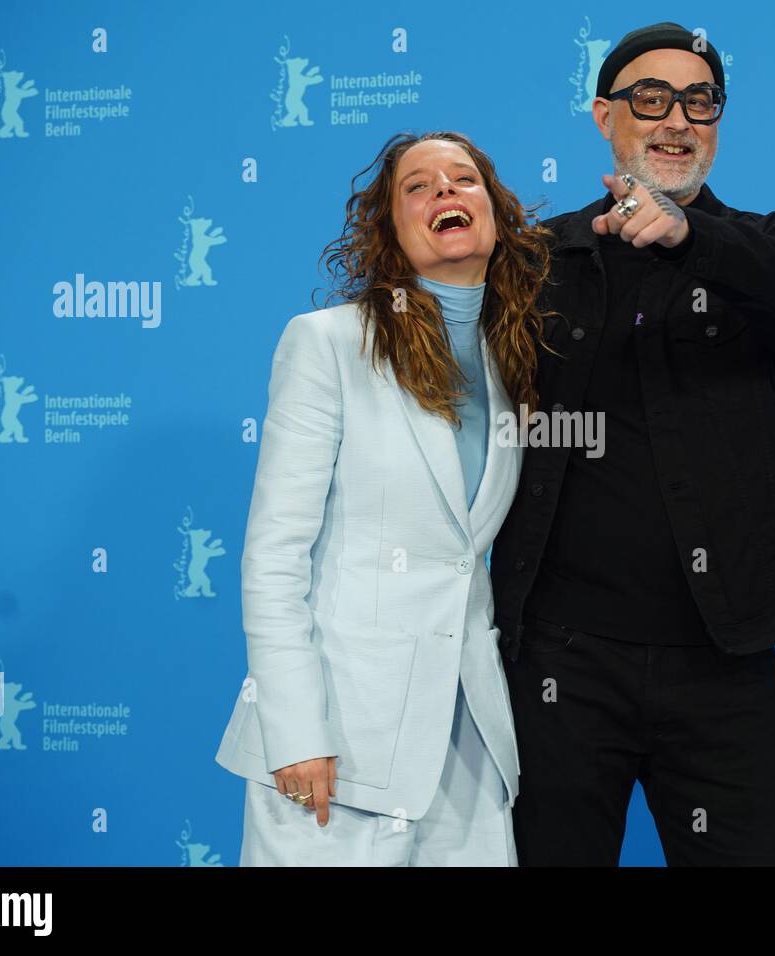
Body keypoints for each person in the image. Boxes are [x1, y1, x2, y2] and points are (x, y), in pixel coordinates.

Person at [490, 21, 775, 865]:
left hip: (721, 658)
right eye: (650, 98)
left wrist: (690, 236)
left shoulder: (770, 243)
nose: (677, 120)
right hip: (561, 665)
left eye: (700, 102)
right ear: (602, 116)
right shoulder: (536, 261)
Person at [215, 131, 555, 865]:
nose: (444, 192)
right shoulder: (327, 344)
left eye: (464, 179)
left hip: (468, 754)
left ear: (494, 214)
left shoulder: (516, 365)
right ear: (390, 230)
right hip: (339, 748)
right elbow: (275, 558)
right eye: (418, 186)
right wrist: (298, 732)